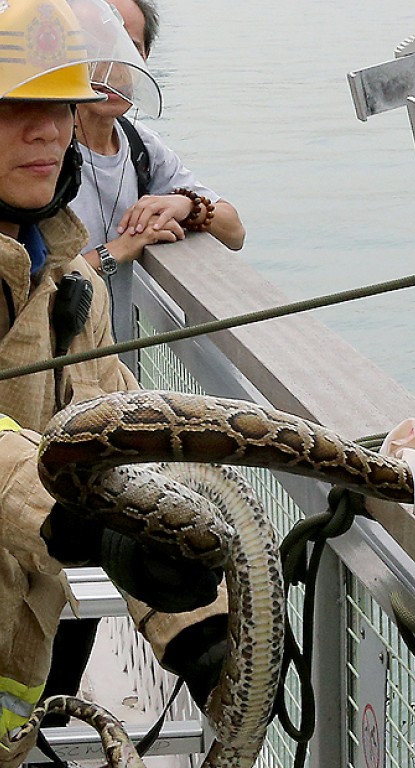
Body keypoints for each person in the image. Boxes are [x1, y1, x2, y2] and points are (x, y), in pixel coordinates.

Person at [0, 1, 226, 764]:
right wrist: (85, 523)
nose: (47, 130)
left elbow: (118, 432)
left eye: (60, 103)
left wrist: (201, 625)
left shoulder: (68, 285)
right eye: (11, 107)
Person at [69, 0, 245, 352]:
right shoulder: (42, 153)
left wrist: (184, 204)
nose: (112, 68)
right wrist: (116, 251)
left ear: (145, 59)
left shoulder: (140, 146)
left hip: (112, 373)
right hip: (48, 374)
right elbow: (25, 285)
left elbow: (235, 231)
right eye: (95, 48)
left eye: (128, 48)